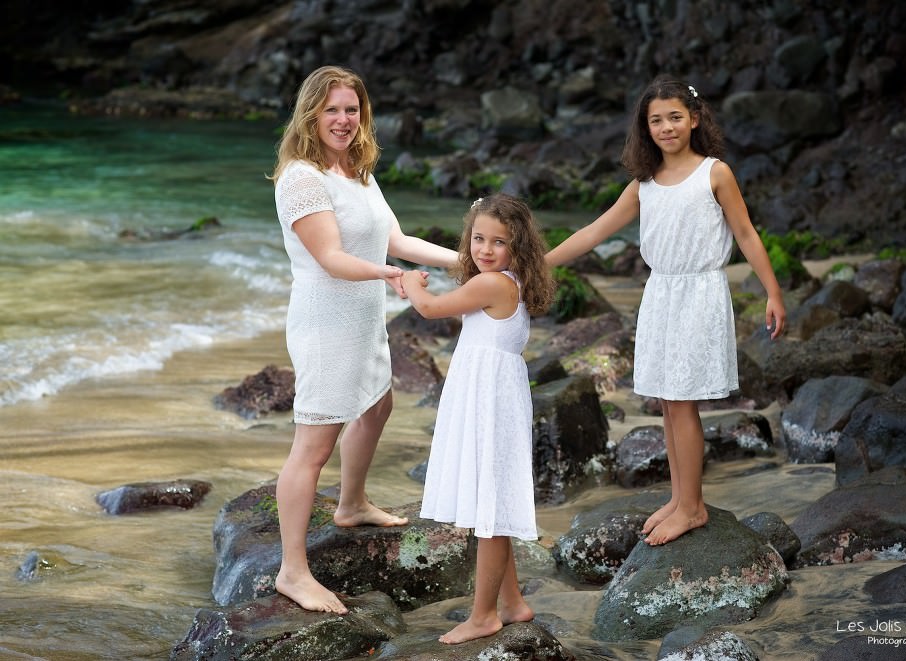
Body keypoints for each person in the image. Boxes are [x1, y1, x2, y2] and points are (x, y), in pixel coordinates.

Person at [545, 78, 786, 546]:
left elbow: (747, 234)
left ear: (694, 118)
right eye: (656, 120)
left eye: (675, 116)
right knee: (668, 403)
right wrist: (538, 263)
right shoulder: (645, 184)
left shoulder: (715, 173)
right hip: (661, 294)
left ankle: (693, 508)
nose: (666, 127)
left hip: (699, 292)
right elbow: (595, 231)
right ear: (645, 128)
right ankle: (680, 498)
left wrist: (773, 292)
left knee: (683, 402)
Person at [270, 65, 458, 614]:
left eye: (352, 109)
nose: (344, 119)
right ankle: (292, 571)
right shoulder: (302, 177)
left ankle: (351, 505)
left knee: (377, 406)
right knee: (313, 447)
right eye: (332, 109)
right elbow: (329, 258)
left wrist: (462, 261)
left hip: (362, 314)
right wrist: (391, 276)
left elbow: (394, 238)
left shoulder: (356, 171)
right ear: (311, 114)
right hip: (326, 320)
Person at [401, 194, 556, 644]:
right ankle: (512, 603)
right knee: (495, 503)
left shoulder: (493, 285)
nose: (485, 249)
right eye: (478, 239)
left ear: (519, 247)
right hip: (493, 395)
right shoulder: (507, 281)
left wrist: (411, 281)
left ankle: (484, 614)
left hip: (489, 400)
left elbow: (429, 308)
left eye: (499, 242)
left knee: (490, 509)